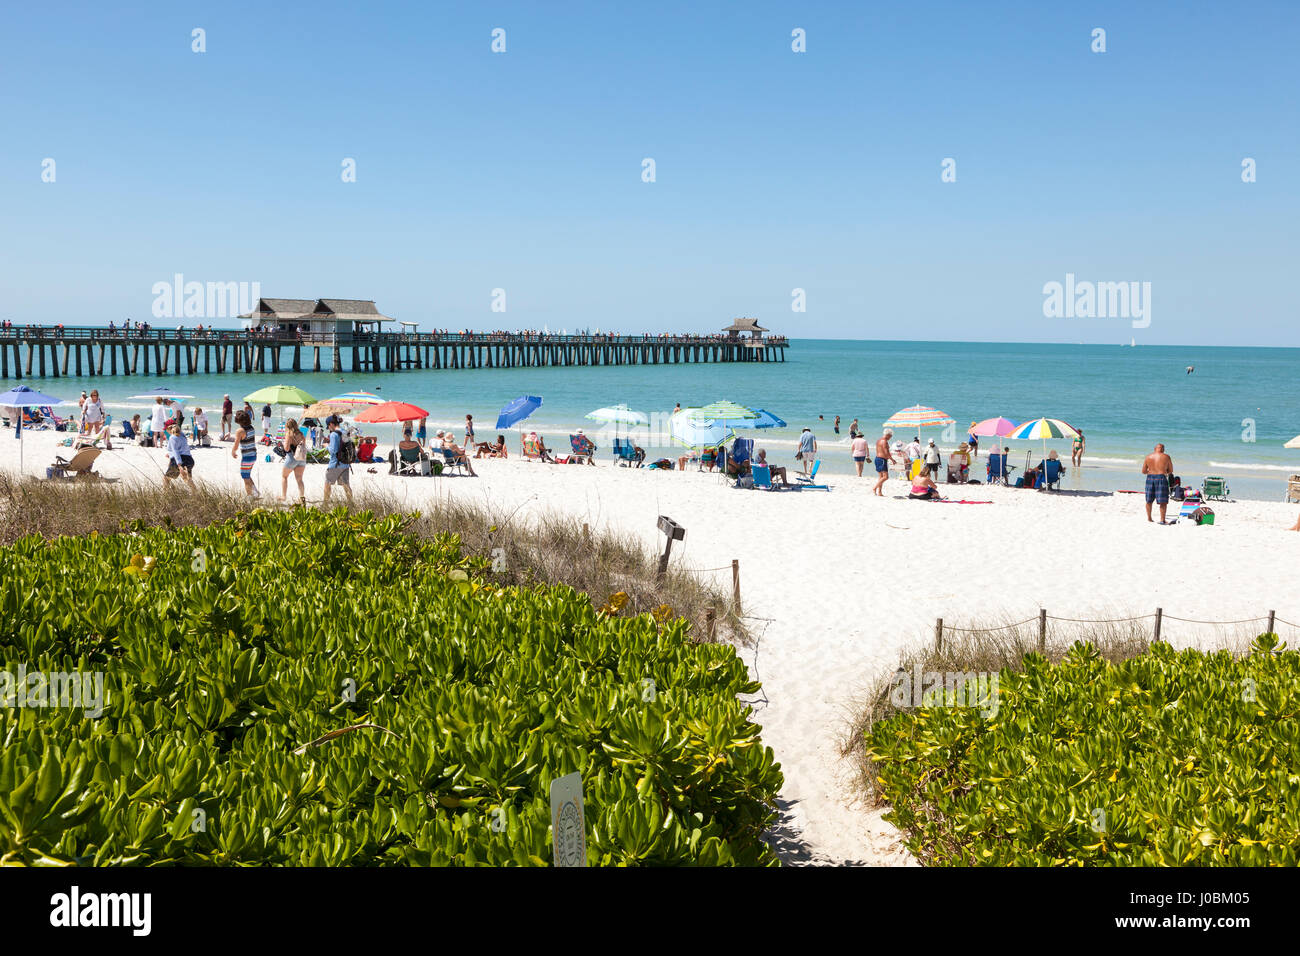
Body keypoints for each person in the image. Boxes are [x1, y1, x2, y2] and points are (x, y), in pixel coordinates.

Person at [1141, 442, 1173, 524]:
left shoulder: (1148, 457)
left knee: (1149, 500)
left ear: (1155, 449)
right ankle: (1162, 519)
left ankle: (1149, 518)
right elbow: (1171, 471)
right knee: (1163, 501)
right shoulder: (1166, 456)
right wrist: (1164, 471)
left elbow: (1143, 471)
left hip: (1150, 478)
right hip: (1161, 477)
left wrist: (1151, 471)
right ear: (1163, 449)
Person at [324, 417, 353, 503]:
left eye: (328, 426)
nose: (329, 428)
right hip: (345, 464)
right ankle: (351, 503)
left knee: (327, 484)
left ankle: (325, 504)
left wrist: (326, 446)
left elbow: (333, 451)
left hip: (334, 464)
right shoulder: (345, 432)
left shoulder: (333, 434)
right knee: (346, 486)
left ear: (331, 424)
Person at [231, 409, 260, 498]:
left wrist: (233, 451)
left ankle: (250, 496)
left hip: (247, 456)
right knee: (247, 474)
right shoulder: (251, 428)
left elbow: (236, 444)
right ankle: (255, 492)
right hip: (253, 454)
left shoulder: (240, 431)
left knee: (245, 476)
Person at [280, 418, 308, 502]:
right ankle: (301, 497)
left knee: (284, 476)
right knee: (299, 479)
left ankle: (283, 496)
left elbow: (286, 448)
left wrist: (283, 443)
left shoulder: (289, 434)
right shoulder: (301, 434)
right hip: (301, 458)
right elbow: (303, 445)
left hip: (292, 458)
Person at [163, 423, 196, 490]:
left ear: (169, 429)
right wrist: (170, 454)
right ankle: (195, 493)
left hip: (180, 460)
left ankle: (165, 494)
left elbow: (175, 451)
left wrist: (179, 464)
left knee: (166, 478)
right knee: (188, 479)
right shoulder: (183, 435)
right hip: (189, 459)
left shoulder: (172, 437)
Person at [872, 430, 893, 496]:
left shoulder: (879, 440)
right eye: (890, 436)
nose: (890, 438)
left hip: (877, 459)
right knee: (886, 477)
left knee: (881, 477)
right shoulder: (884, 441)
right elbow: (886, 452)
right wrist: (892, 459)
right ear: (888, 435)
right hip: (882, 460)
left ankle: (880, 492)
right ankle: (874, 488)